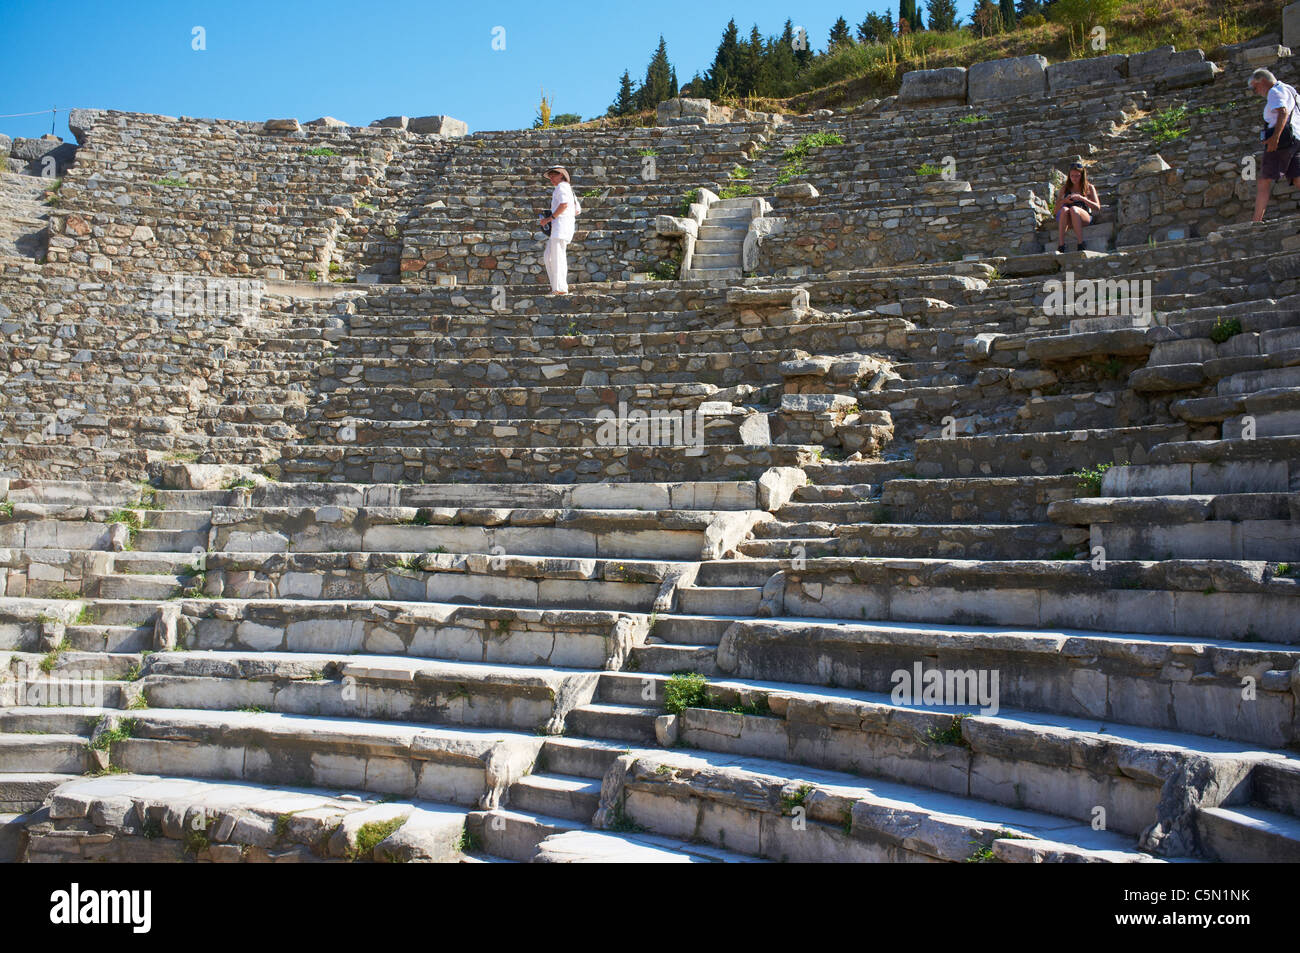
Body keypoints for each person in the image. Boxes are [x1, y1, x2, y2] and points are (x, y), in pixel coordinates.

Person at [1248, 69, 1300, 223]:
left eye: (1254, 87)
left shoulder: (1274, 92)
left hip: (1282, 142)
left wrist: (1274, 138)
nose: (1256, 92)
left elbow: (1283, 112)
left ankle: (1256, 223)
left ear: (1262, 81)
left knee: (1264, 181)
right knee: (1297, 178)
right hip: (1295, 139)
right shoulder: (1290, 91)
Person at [539, 165, 576, 295]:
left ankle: (560, 288)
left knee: (556, 257)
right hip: (561, 227)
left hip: (560, 227)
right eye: (550, 177)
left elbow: (564, 204)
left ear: (561, 175)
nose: (551, 179)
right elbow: (577, 210)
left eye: (553, 176)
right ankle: (557, 286)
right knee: (549, 257)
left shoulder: (562, 187)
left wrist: (549, 218)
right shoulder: (566, 189)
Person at [1054, 161, 1101, 253]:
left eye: (1077, 176)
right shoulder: (1064, 189)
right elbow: (1055, 211)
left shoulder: (1089, 187)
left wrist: (1082, 199)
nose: (1074, 178)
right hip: (1069, 219)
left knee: (1074, 209)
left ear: (1082, 175)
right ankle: (1061, 245)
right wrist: (1064, 201)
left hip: (1084, 217)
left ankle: (1080, 243)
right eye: (1072, 176)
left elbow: (1097, 207)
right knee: (1064, 209)